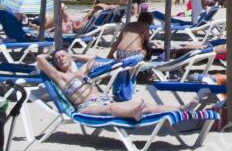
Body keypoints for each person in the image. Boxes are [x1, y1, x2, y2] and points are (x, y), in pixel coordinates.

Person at [37, 50, 188, 120]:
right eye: (57, 58)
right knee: (112, 109)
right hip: (86, 107)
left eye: (63, 55)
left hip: (103, 99)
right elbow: (40, 60)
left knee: (146, 105)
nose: (60, 59)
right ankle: (132, 113)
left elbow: (93, 58)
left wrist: (73, 55)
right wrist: (47, 55)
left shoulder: (81, 73)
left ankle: (181, 109)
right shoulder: (61, 77)